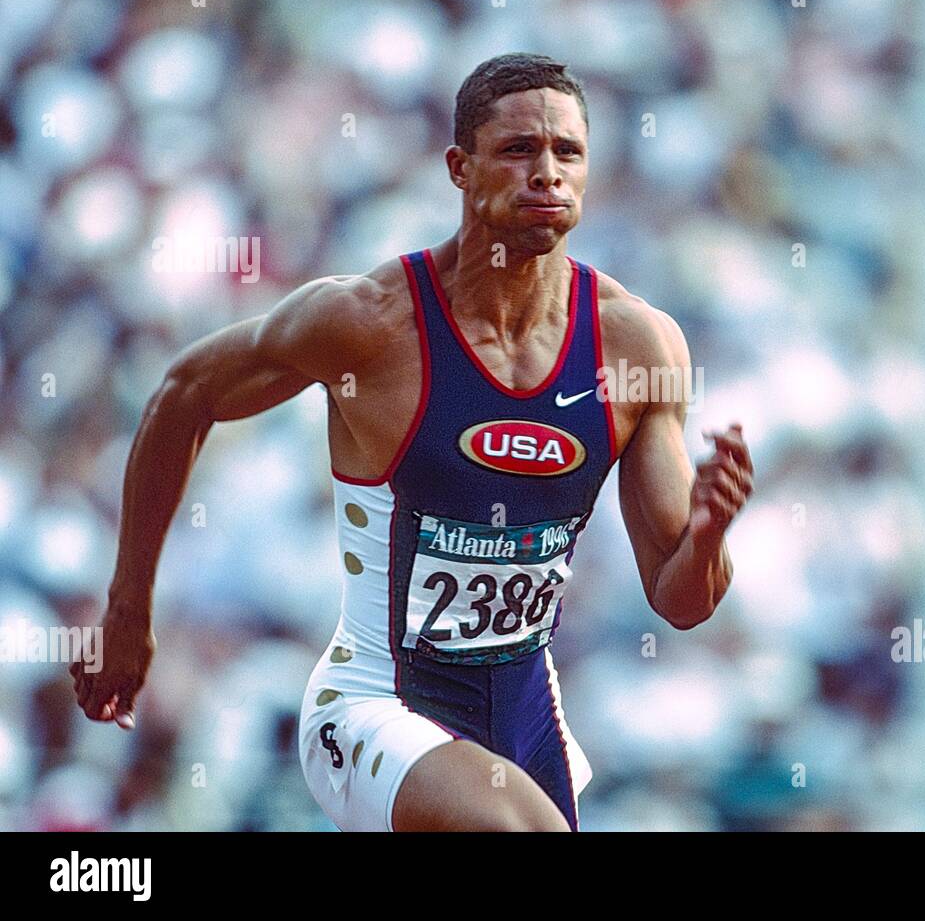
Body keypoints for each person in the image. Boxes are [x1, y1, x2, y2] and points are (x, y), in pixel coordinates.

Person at [70, 52, 754, 831]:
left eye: (568, 152)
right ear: (459, 168)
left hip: (526, 717)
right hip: (374, 704)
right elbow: (181, 393)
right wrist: (128, 609)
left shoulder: (635, 349)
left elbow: (683, 600)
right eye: (519, 149)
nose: (547, 173)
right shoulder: (368, 325)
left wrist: (707, 533)